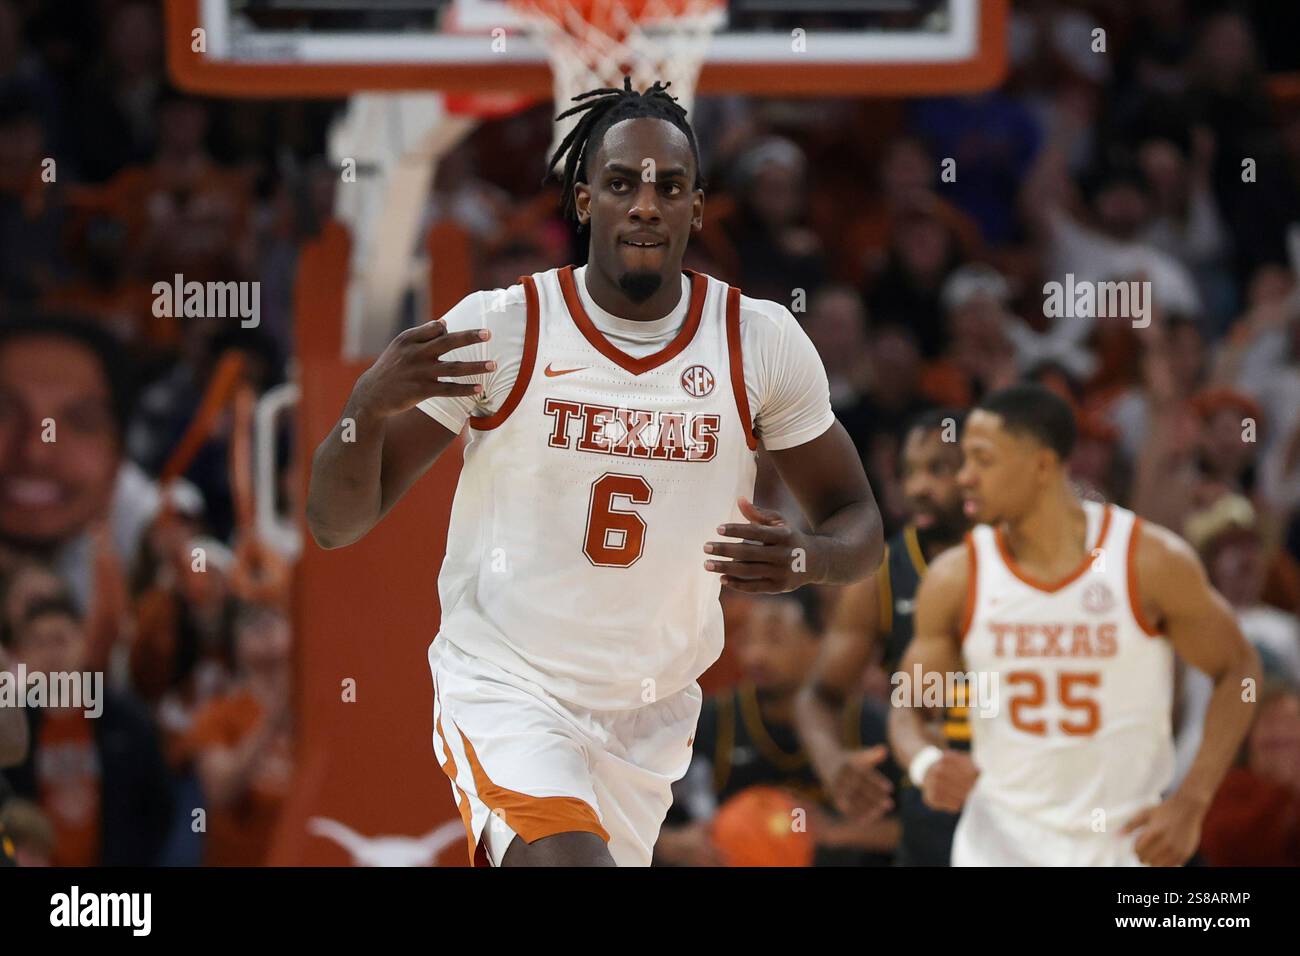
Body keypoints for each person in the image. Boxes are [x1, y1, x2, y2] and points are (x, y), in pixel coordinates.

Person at [307, 79, 883, 867]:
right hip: (509, 686)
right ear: (584, 202)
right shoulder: (500, 330)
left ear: (697, 208)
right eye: (621, 184)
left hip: (650, 712)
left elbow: (860, 524)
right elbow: (337, 524)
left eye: (669, 187)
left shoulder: (761, 342)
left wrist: (809, 558)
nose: (645, 204)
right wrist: (364, 412)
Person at [890, 383, 1257, 865]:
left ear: (1042, 465)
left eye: (983, 460)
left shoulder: (1147, 560)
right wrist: (925, 761)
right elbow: (910, 706)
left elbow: (1238, 671)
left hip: (1123, 846)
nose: (965, 478)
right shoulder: (956, 577)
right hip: (996, 848)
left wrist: (1192, 800)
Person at [798, 409, 971, 865]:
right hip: (934, 803)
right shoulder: (883, 574)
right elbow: (817, 697)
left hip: (1024, 789)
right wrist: (834, 765)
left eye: (939, 469)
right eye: (909, 473)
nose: (918, 488)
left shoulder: (1024, 558)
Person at [659, 590, 899, 867]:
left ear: (819, 641)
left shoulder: (868, 723)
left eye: (774, 638)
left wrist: (837, 832)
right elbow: (643, 807)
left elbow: (920, 827)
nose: (755, 655)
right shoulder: (712, 719)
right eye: (748, 639)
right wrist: (671, 844)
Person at [5, 595, 173, 866]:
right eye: (38, 643)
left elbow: (157, 807)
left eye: (60, 640)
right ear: (22, 655)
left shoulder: (126, 719)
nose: (51, 654)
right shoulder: (11, 726)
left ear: (82, 643)